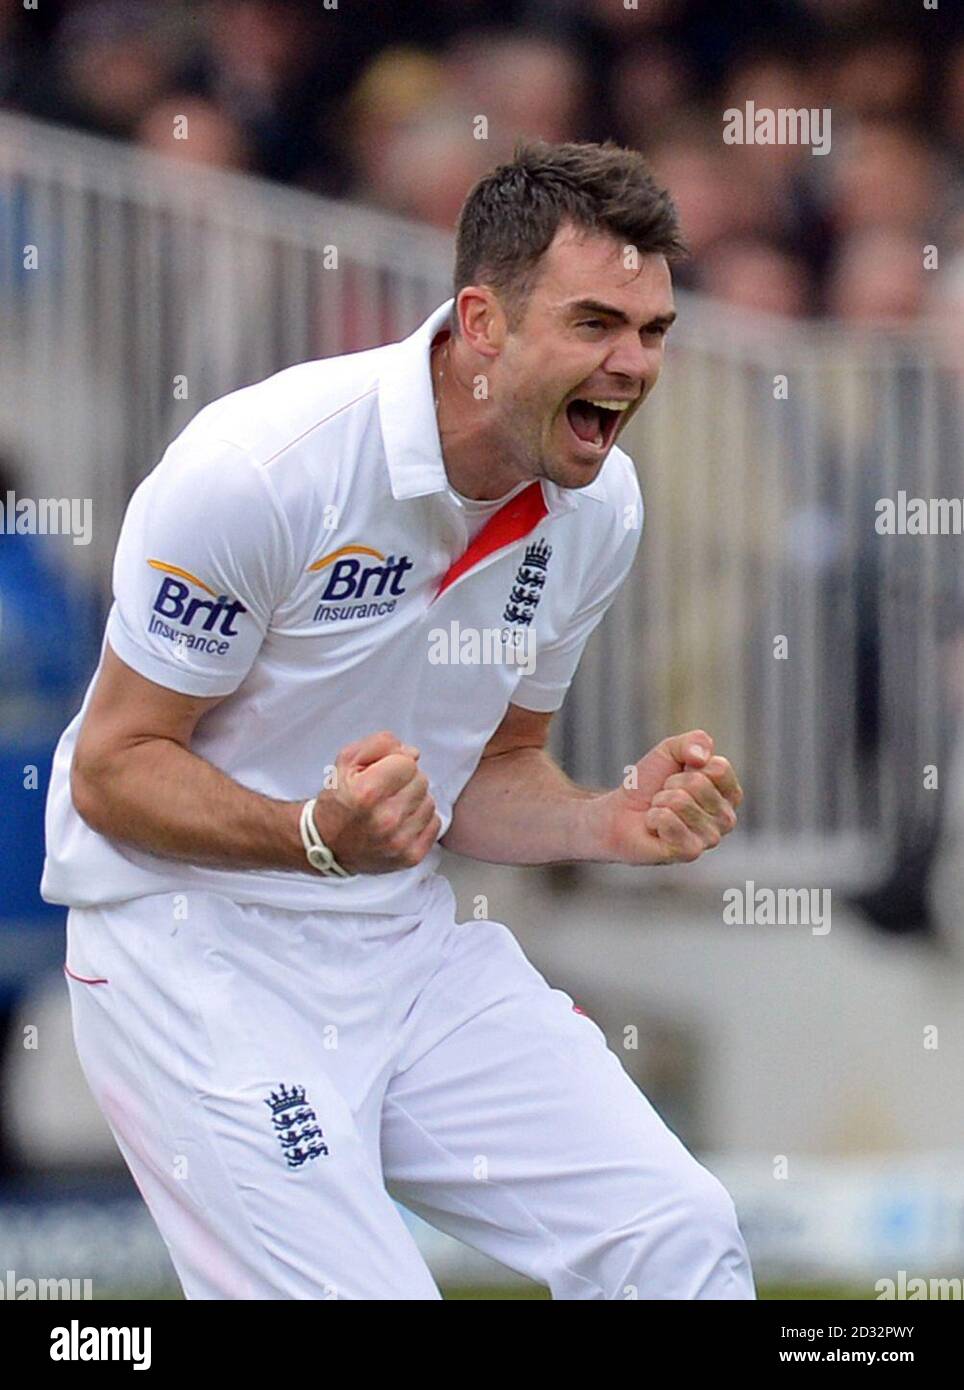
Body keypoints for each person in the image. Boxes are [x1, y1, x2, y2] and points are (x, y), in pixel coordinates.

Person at [42, 140, 754, 1301]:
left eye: (654, 330)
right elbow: (112, 770)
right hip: (188, 955)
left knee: (674, 1232)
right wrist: (313, 834)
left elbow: (490, 771)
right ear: (481, 321)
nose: (632, 366)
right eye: (592, 326)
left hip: (400, 940)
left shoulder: (599, 507)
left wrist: (605, 820)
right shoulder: (262, 467)